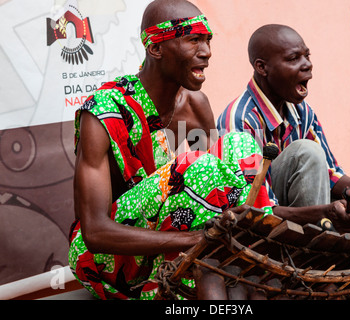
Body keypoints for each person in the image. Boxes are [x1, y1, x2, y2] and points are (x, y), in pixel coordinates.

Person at [68, 0, 270, 300]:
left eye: (207, 40)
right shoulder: (103, 113)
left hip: (176, 231)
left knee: (239, 146)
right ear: (156, 48)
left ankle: (246, 257)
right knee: (200, 165)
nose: (206, 52)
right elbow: (95, 233)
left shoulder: (194, 106)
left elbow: (221, 188)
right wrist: (198, 239)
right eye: (193, 40)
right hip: (106, 257)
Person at [217, 24, 350, 232]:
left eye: (307, 56)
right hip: (261, 229)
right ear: (262, 67)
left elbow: (331, 177)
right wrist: (324, 213)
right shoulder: (239, 121)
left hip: (300, 211)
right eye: (293, 58)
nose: (307, 65)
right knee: (307, 152)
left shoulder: (303, 112)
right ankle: (317, 248)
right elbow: (252, 211)